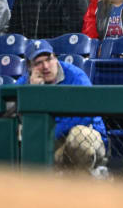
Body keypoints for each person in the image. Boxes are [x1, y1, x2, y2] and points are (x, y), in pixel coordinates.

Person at [18, 41, 108, 173]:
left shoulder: (75, 76)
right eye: (38, 63)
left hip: (89, 138)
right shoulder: (28, 81)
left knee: (78, 136)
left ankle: (89, 176)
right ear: (30, 67)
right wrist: (32, 92)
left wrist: (48, 135)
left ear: (55, 58)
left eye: (49, 59)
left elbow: (84, 116)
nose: (45, 66)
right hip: (51, 141)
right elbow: (9, 108)